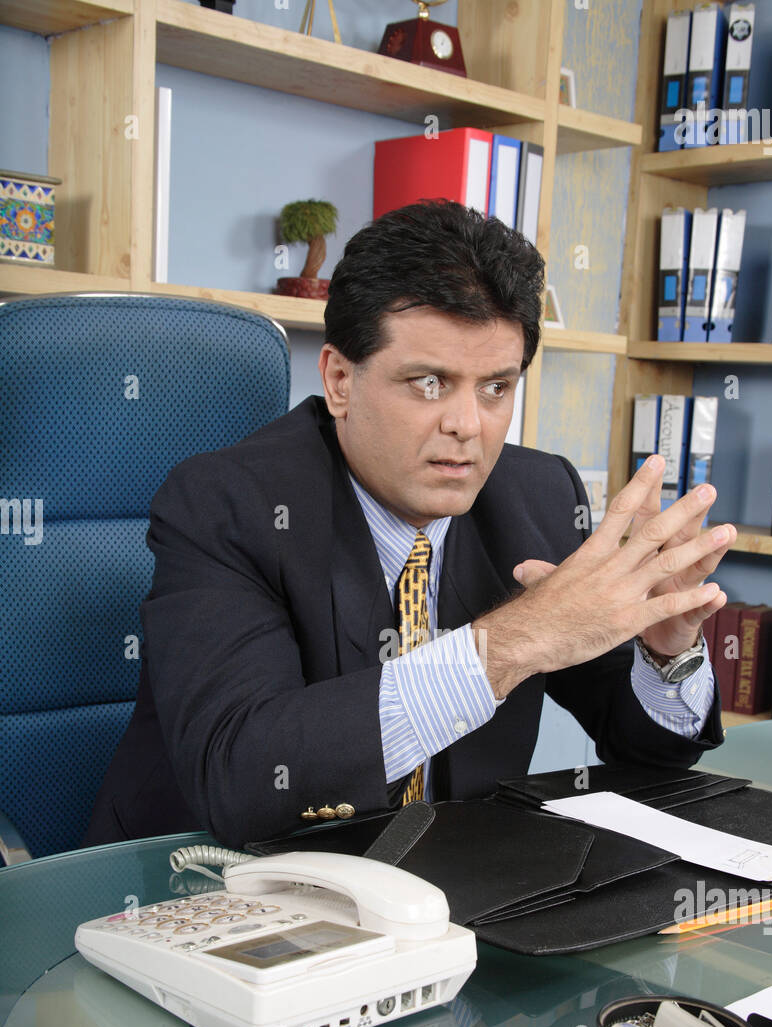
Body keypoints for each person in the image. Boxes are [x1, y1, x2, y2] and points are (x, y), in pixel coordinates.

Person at [82, 200, 732, 852]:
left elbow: (643, 748)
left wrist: (665, 655)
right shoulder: (228, 504)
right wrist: (510, 644)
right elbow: (244, 776)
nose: (467, 425)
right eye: (429, 383)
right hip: (207, 886)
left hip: (448, 896)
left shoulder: (536, 495)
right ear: (340, 380)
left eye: (496, 388)